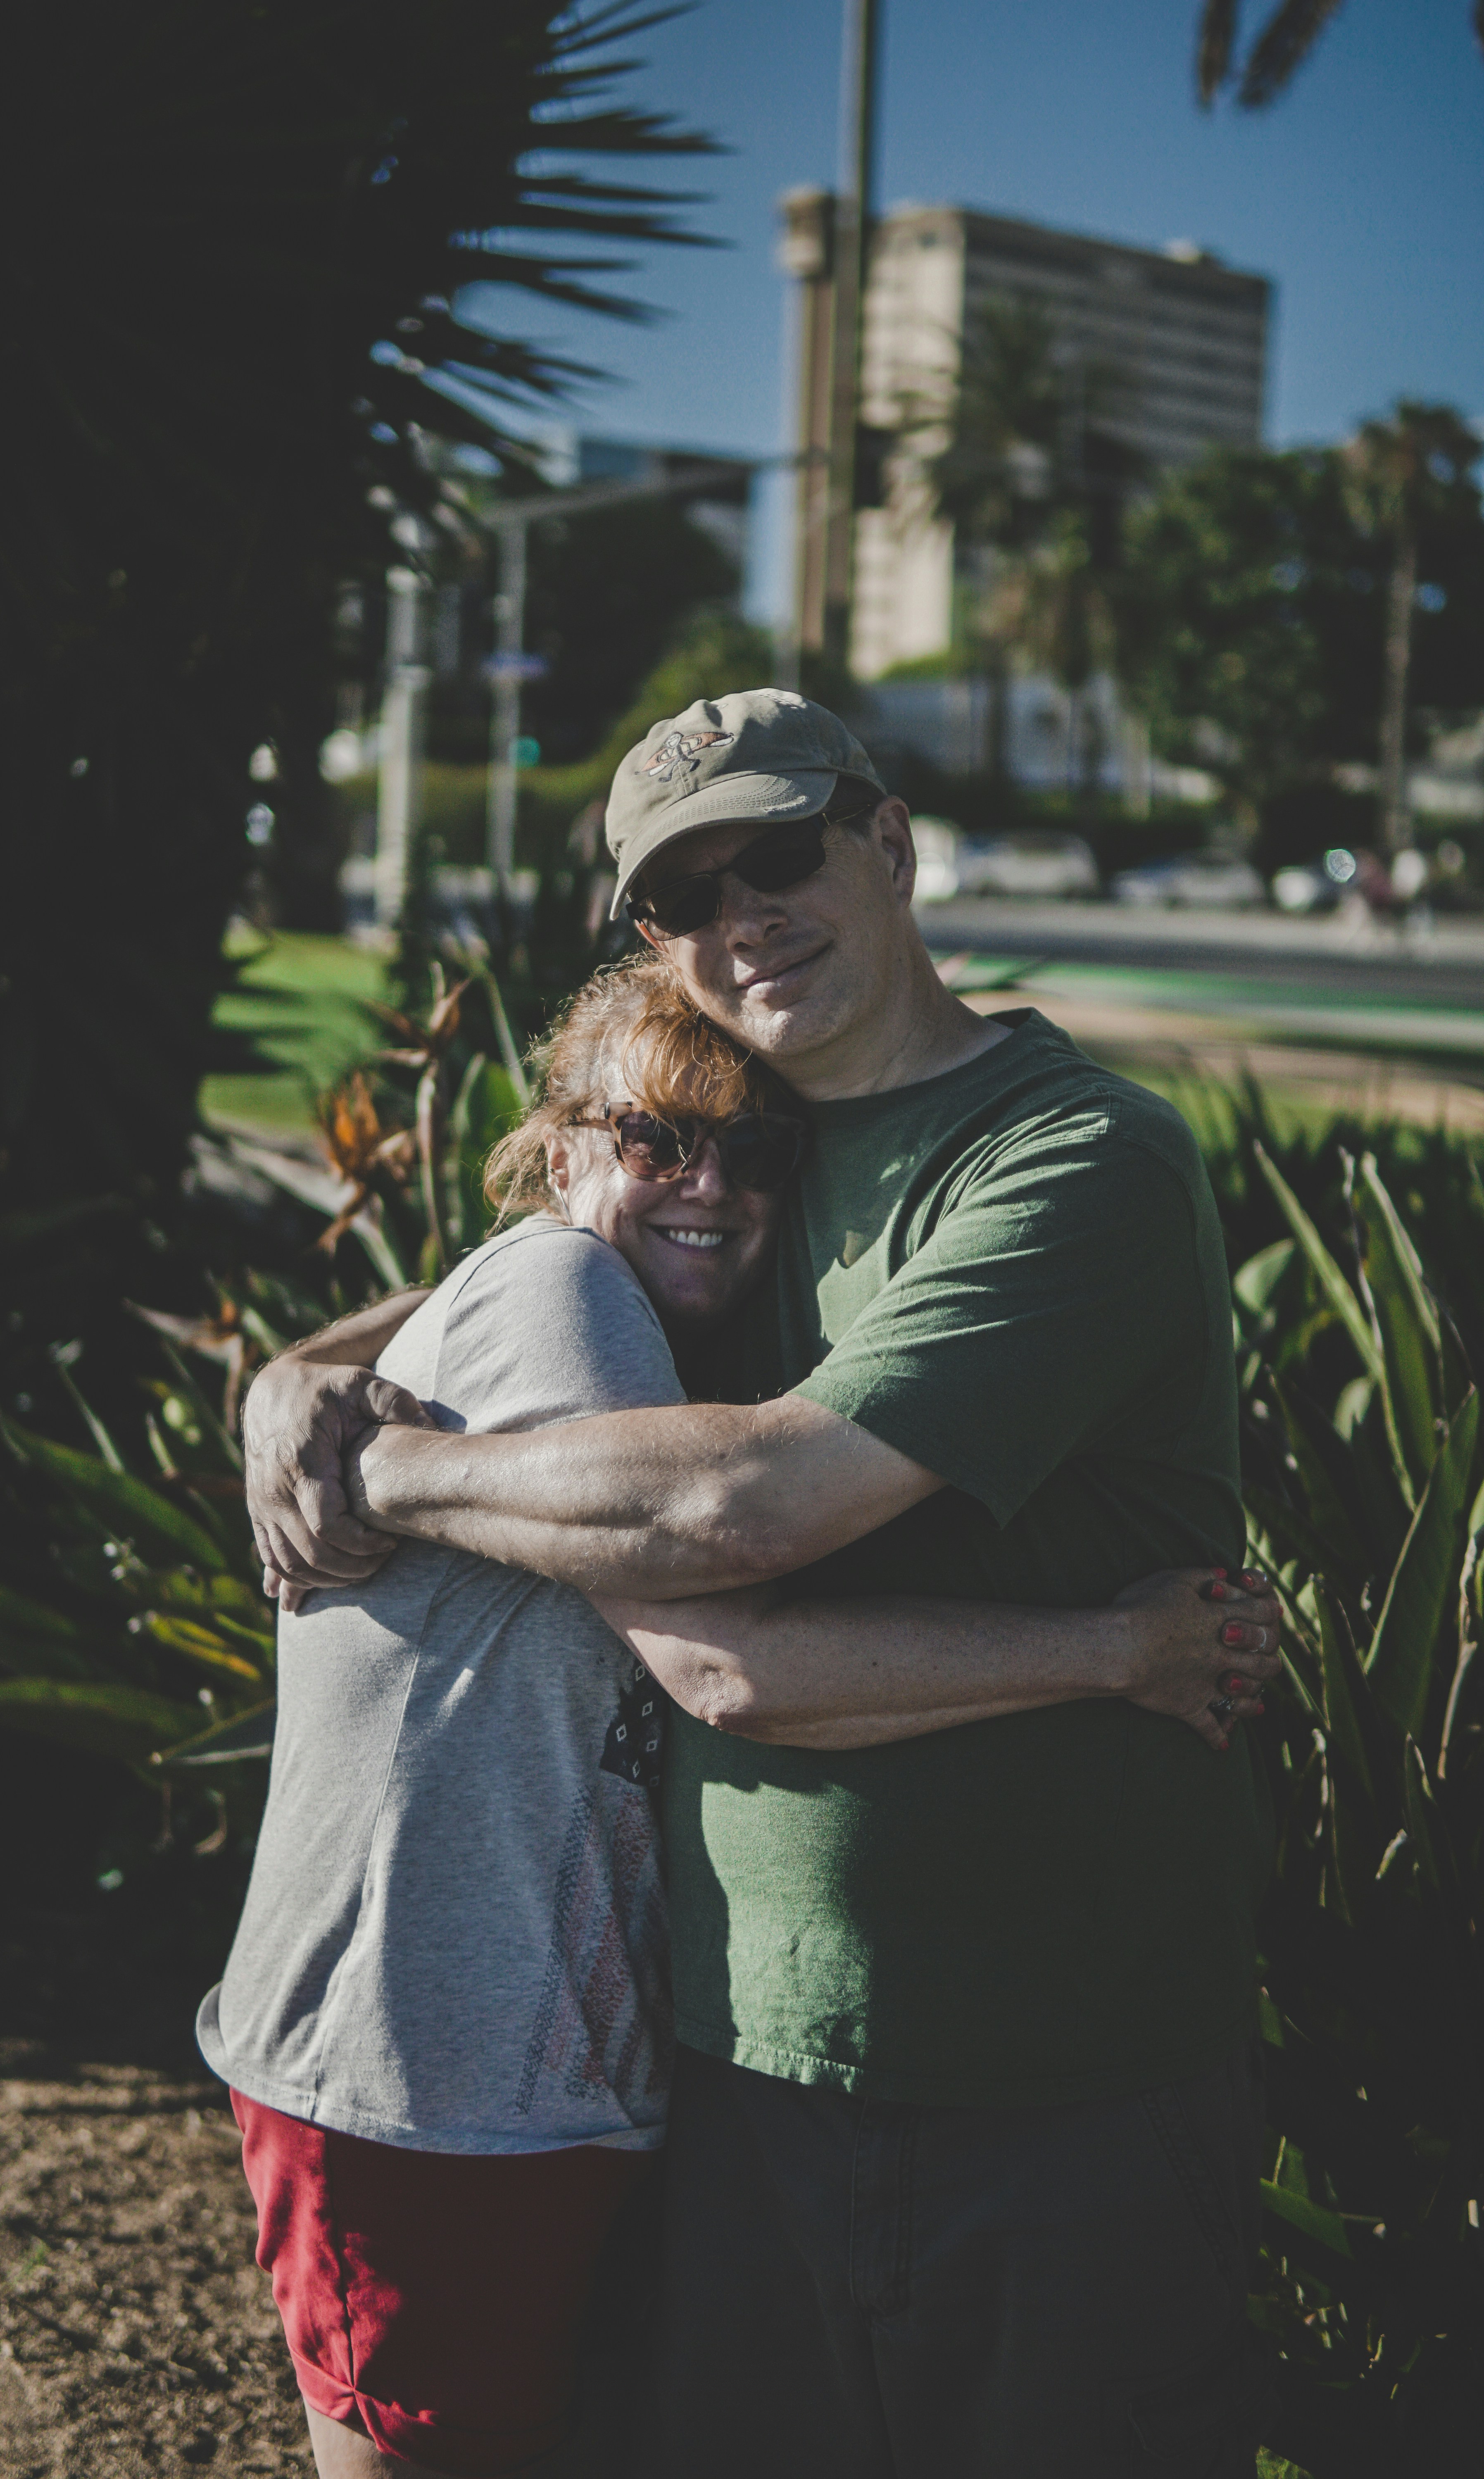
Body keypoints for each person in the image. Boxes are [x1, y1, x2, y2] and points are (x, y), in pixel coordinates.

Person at [243, 690, 1281, 2478]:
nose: (742, 915)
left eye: (779, 854)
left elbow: (741, 1511)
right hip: (731, 2074)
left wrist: (391, 1473)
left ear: (887, 846)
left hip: (1053, 2083)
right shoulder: (747, 1140)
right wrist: (293, 1382)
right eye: (681, 894)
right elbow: (526, 1284)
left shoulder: (1070, 1158)